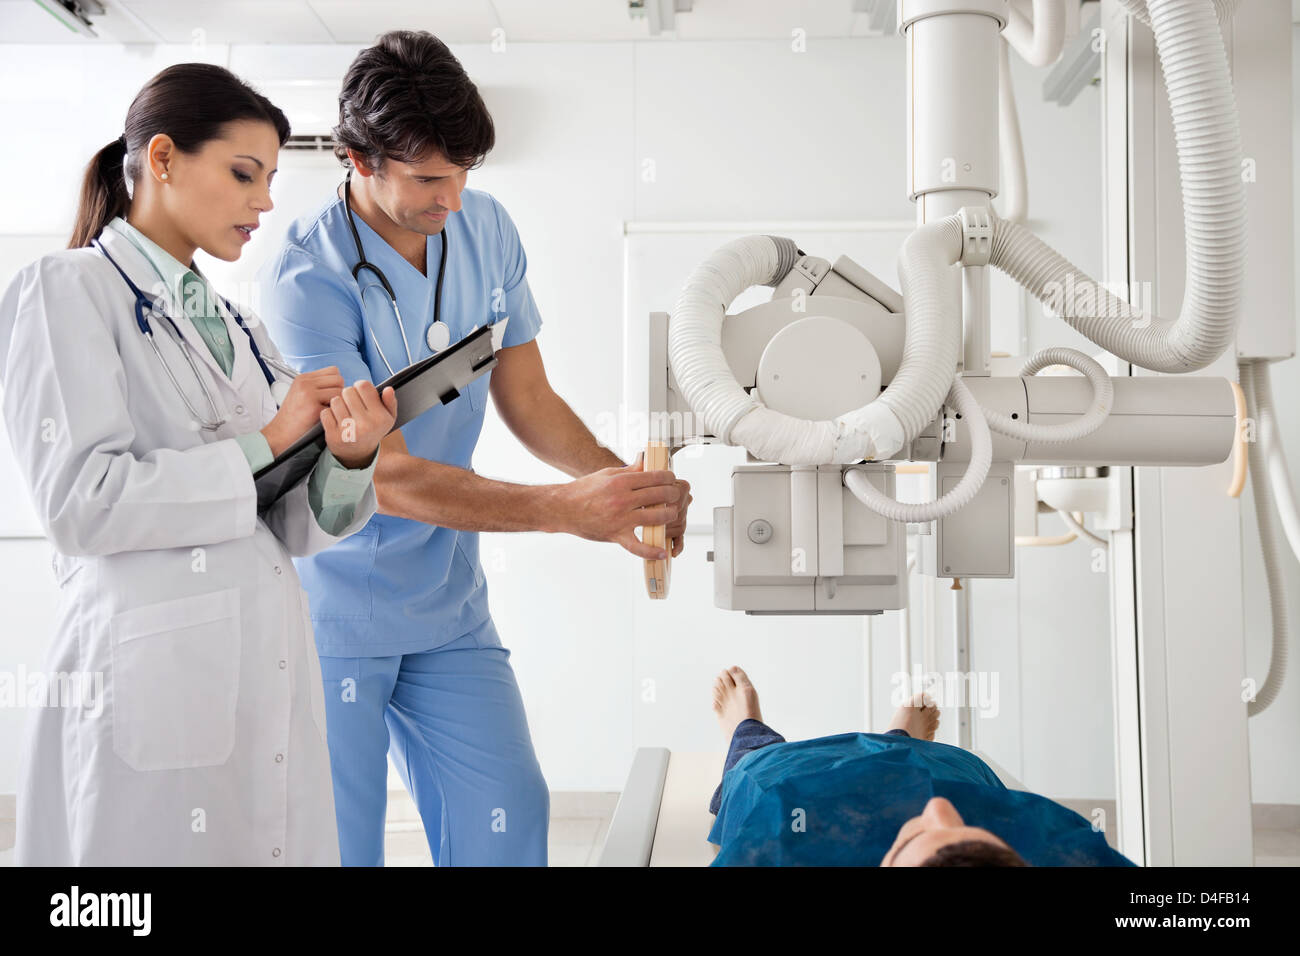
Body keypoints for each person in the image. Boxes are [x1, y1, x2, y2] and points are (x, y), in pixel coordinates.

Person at [256, 30, 691, 867]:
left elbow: (527, 396)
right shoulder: (307, 277)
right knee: (337, 847)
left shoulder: (484, 228)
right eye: (427, 177)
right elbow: (379, 470)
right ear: (358, 157)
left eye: (463, 173)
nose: (450, 198)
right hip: (331, 611)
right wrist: (563, 512)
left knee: (508, 818)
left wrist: (622, 488)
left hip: (446, 605)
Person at [0, 63, 395, 865]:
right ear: (164, 159)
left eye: (273, 179)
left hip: (259, 668)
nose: (265, 202)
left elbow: (282, 519)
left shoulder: (238, 326)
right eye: (244, 173)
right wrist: (269, 441)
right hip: (149, 674)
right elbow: (82, 503)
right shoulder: (67, 290)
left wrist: (347, 458)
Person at [707, 666, 1136, 866]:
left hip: (797, 800)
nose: (938, 811)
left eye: (917, 838)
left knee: (761, 769)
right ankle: (899, 741)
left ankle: (748, 732)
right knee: (936, 771)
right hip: (959, 778)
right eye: (981, 847)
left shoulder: (768, 851)